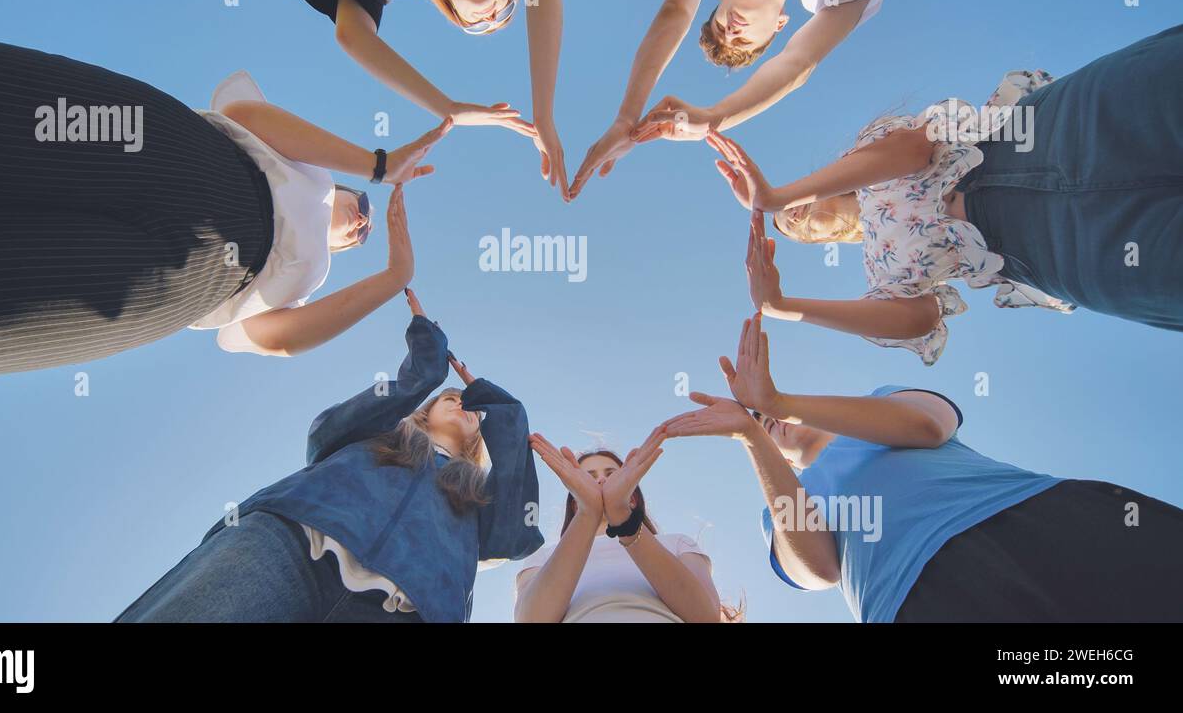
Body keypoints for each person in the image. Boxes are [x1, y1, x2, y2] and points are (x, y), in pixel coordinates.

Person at [0, 22, 447, 385]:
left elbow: (280, 339)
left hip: (177, 285)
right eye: (363, 207)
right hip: (178, 154)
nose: (361, 221)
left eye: (362, 234)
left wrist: (394, 277)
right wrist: (376, 165)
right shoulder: (313, 174)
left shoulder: (306, 279)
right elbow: (246, 116)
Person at [657, 314, 1183, 622]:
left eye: (762, 412)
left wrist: (778, 400)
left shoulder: (879, 401)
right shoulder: (785, 502)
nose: (763, 418)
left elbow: (928, 426)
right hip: (918, 599)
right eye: (756, 418)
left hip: (1031, 521)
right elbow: (818, 570)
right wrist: (752, 437)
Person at [707, 24, 1183, 364]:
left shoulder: (864, 156)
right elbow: (917, 319)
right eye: (791, 230)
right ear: (820, 242)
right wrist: (782, 307)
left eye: (789, 210)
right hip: (1060, 249)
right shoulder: (882, 270)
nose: (791, 218)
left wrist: (777, 195)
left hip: (1046, 135)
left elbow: (915, 148)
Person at [116, 290, 543, 622]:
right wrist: (425, 370)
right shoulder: (379, 432)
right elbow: (327, 430)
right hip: (287, 548)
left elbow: (515, 537)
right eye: (449, 397)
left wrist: (504, 413)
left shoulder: (477, 494)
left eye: (471, 408)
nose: (461, 403)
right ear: (425, 409)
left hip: (410, 609)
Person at [570, 0, 1009, 199]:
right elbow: (798, 64)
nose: (731, 31)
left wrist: (627, 116)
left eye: (720, 26)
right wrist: (715, 117)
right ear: (780, 28)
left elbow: (676, 10)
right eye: (742, 41)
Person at [263, 0, 571, 198]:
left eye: (477, 26)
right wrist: (543, 113)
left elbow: (352, 36)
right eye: (506, 9)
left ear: (451, 7)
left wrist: (447, 108)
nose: (490, 19)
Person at [514, 438, 724, 623]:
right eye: (589, 476)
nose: (601, 480)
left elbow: (705, 616)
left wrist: (621, 515)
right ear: (575, 504)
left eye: (611, 474)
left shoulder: (678, 543)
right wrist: (589, 512)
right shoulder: (544, 557)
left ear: (633, 498)